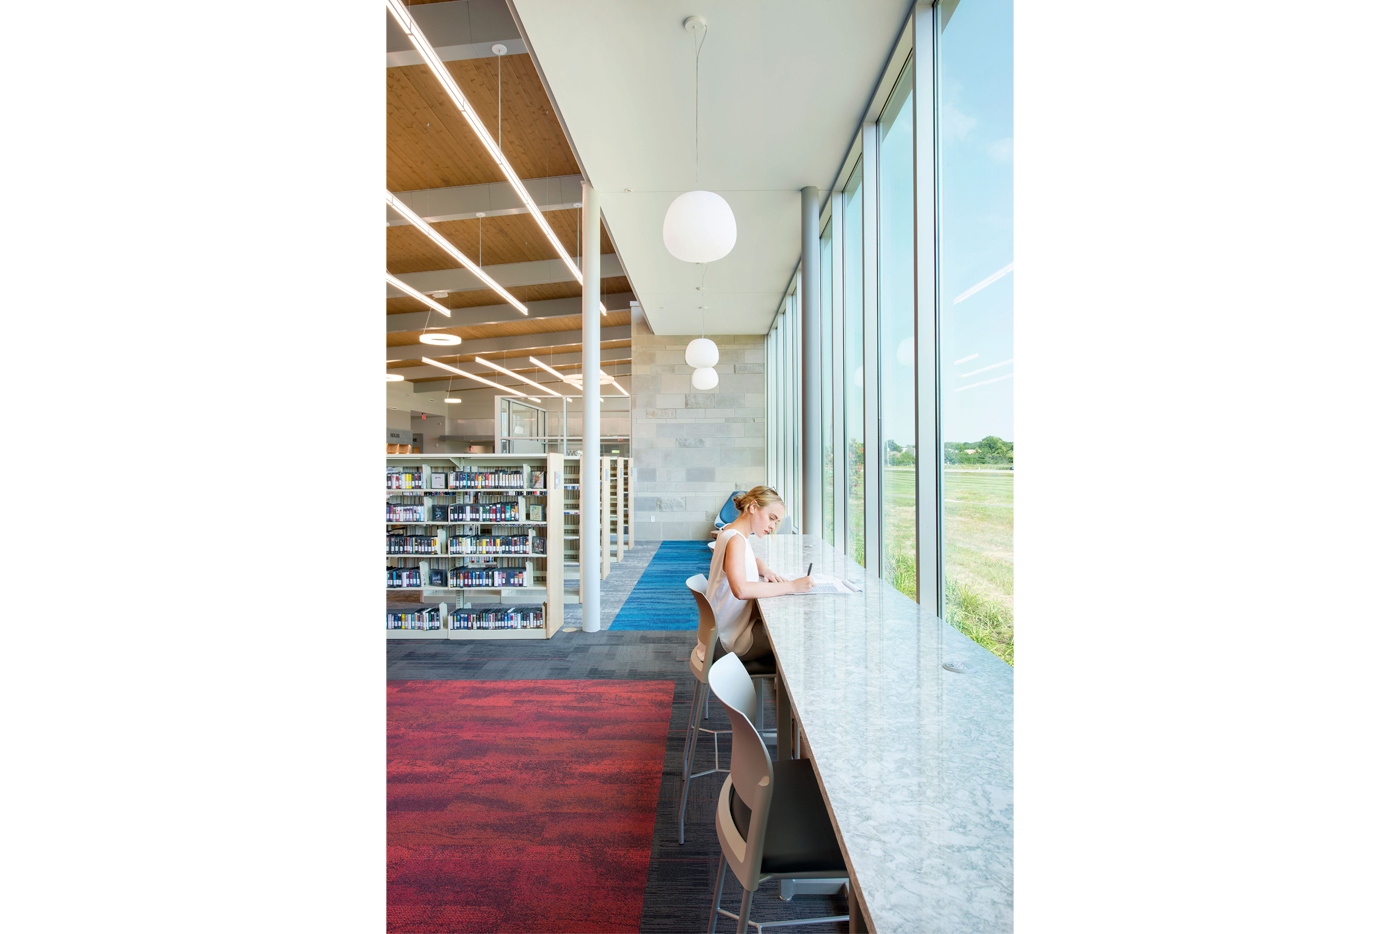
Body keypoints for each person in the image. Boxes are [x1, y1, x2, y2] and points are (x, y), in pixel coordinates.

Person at [704, 486, 812, 662]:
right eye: (771, 518)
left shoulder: (731, 531)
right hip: (728, 642)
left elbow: (753, 560)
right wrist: (792, 586)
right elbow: (741, 590)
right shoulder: (736, 540)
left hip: (721, 632)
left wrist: (767, 570)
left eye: (775, 522)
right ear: (753, 507)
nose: (772, 526)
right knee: (797, 644)